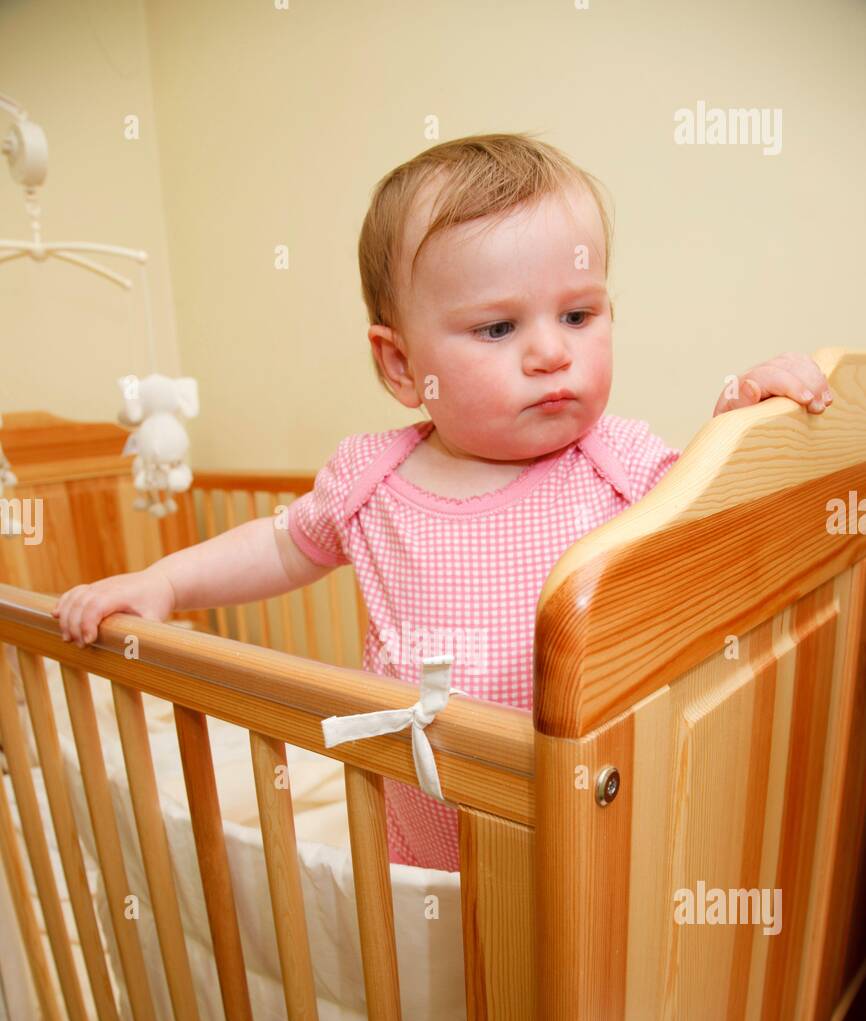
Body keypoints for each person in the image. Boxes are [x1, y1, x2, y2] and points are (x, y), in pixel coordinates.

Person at [53, 132, 834, 871]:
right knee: (438, 989)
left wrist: (744, 417)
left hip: (593, 820)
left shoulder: (617, 462)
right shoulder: (370, 481)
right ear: (400, 365)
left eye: (578, 314)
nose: (551, 351)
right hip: (423, 835)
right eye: (498, 326)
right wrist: (165, 583)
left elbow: (711, 515)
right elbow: (279, 545)